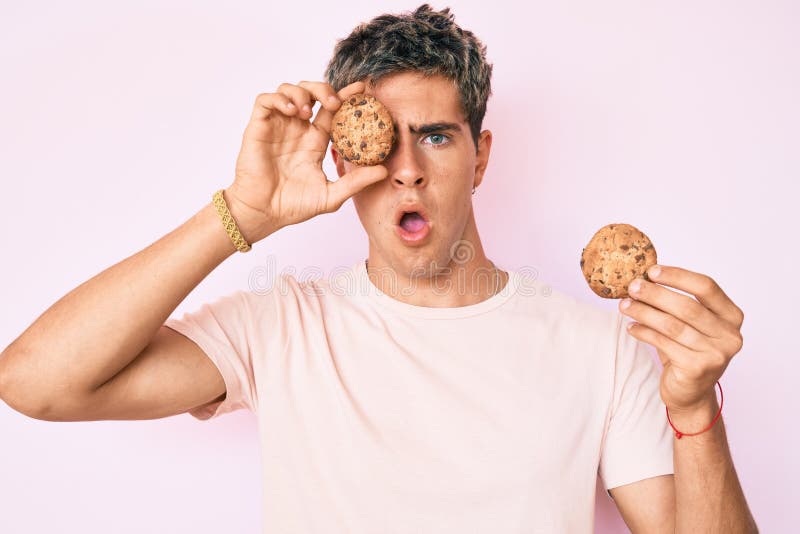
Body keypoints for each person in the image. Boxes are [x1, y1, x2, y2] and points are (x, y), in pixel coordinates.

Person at [0, 4, 757, 533]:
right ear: (342, 158)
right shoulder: (282, 326)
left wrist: (694, 413)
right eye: (379, 142)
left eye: (434, 137)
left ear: (480, 157)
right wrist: (240, 213)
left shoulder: (603, 352)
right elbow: (36, 382)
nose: (406, 171)